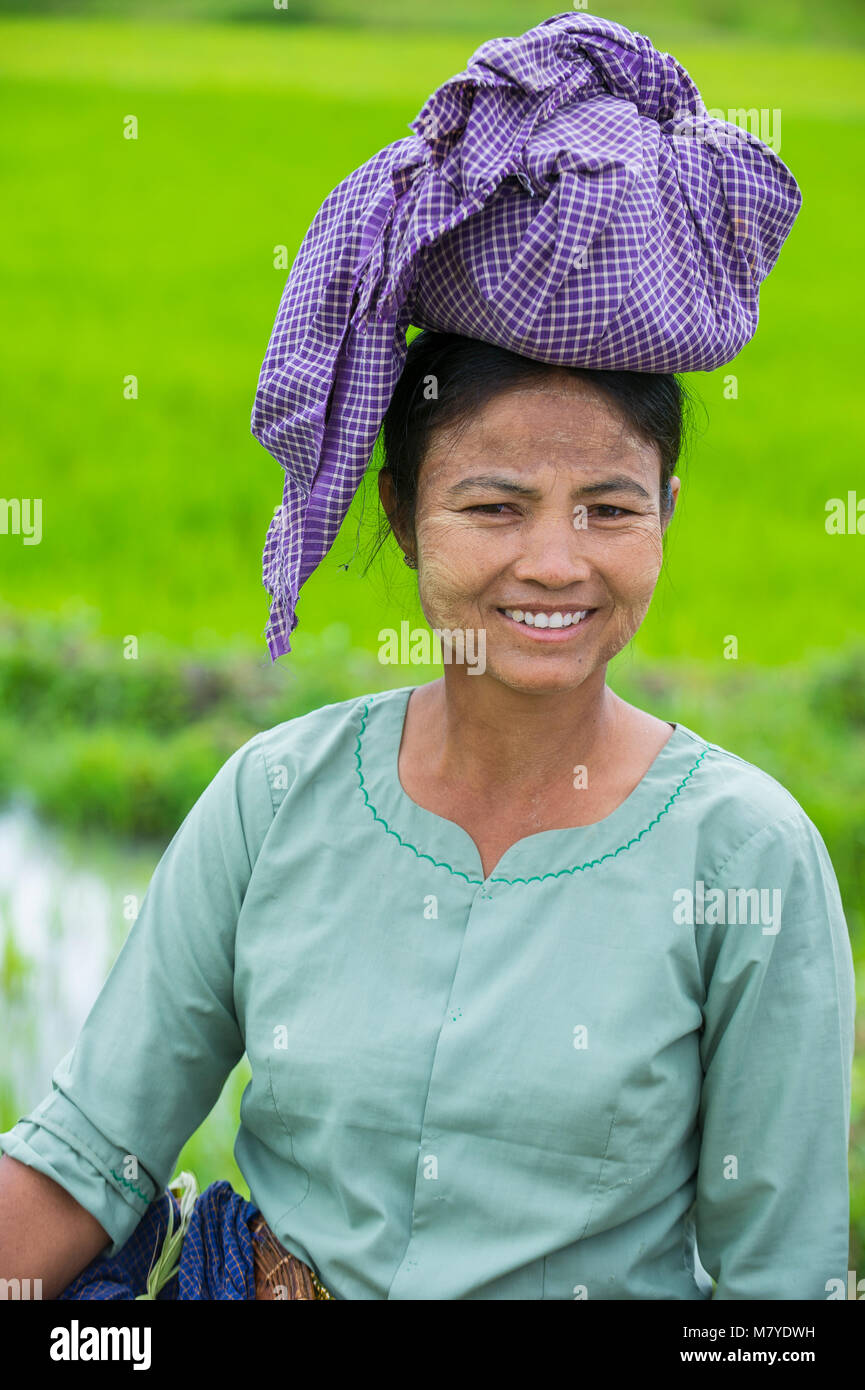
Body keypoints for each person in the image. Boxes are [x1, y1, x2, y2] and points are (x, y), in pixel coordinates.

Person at [0, 11, 854, 1300]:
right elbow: (83, 1162)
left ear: (668, 516)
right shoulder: (275, 799)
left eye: (610, 509)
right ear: (402, 512)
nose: (555, 564)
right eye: (494, 506)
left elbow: (775, 1287)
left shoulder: (747, 856)